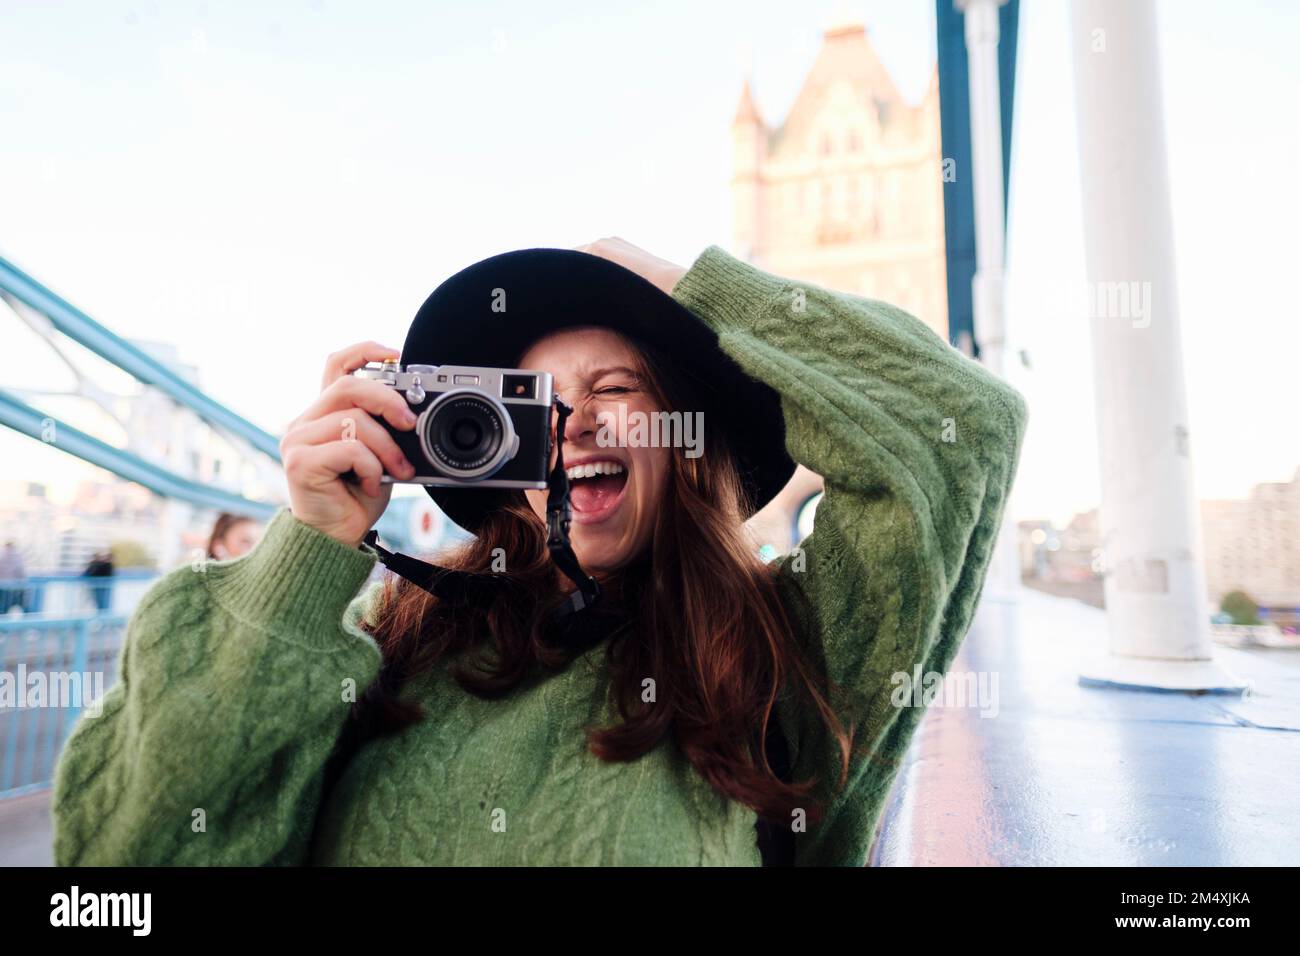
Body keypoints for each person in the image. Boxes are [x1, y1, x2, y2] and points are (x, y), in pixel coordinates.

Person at [51, 239, 1028, 866]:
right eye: (533, 405)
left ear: (687, 437)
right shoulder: (397, 639)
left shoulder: (796, 645)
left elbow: (963, 424)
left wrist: (684, 286)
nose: (574, 422)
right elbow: (123, 857)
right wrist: (308, 551)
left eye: (617, 387)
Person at [0, 542, 26, 613]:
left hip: (3, 586)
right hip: (13, 587)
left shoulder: (2, 555)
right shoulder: (17, 557)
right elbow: (21, 572)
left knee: (3, 606)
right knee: (13, 603)